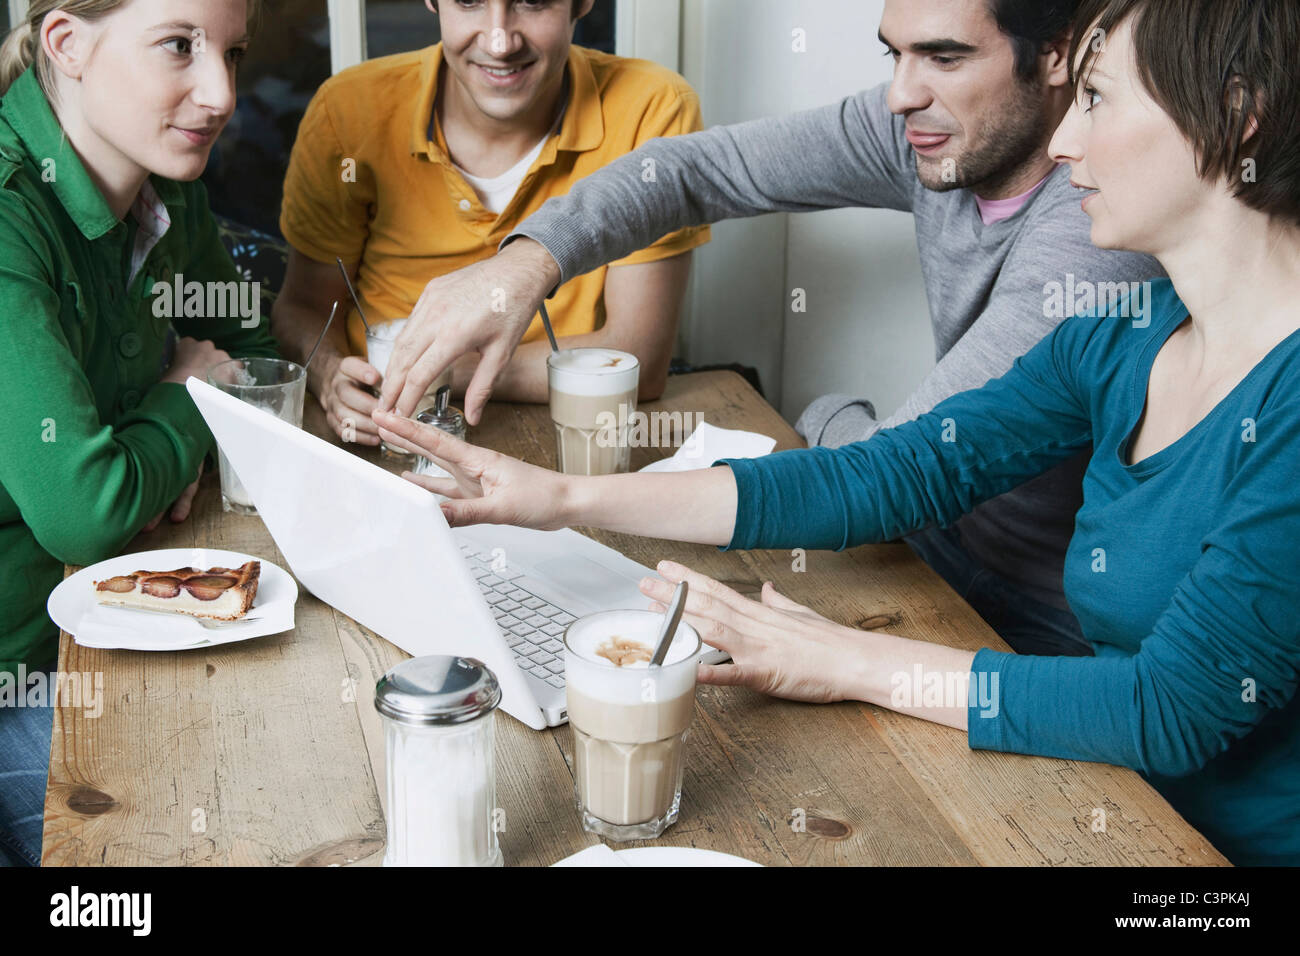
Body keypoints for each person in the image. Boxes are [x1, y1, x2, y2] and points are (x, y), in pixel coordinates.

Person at [373, 0, 1300, 866]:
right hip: (1093, 790)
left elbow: (1174, 708)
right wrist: (555, 496)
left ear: (1236, 116)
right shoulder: (1125, 335)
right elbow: (887, 477)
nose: (1066, 138)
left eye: (1095, 100)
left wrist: (848, 660)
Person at [371, 0, 1165, 660]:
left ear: (1060, 54)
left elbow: (897, 475)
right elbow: (684, 172)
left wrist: (827, 422)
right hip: (913, 551)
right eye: (894, 55)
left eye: (945, 58)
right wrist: (525, 263)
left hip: (1035, 629)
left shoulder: (1096, 235)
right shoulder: (932, 130)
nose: (900, 95)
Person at [0, 0, 278, 867]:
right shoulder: (11, 216)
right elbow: (88, 511)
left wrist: (165, 430)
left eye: (233, 51)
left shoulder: (163, 183)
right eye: (179, 47)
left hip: (129, 609)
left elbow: (249, 355)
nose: (223, 92)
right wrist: (184, 404)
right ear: (67, 43)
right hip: (26, 667)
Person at [271, 0, 710, 448]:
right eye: (469, 2)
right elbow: (301, 308)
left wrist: (411, 371)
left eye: (533, 2)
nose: (500, 42)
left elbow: (641, 362)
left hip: (572, 434)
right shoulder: (347, 110)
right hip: (382, 437)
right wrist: (328, 375)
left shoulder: (652, 109)